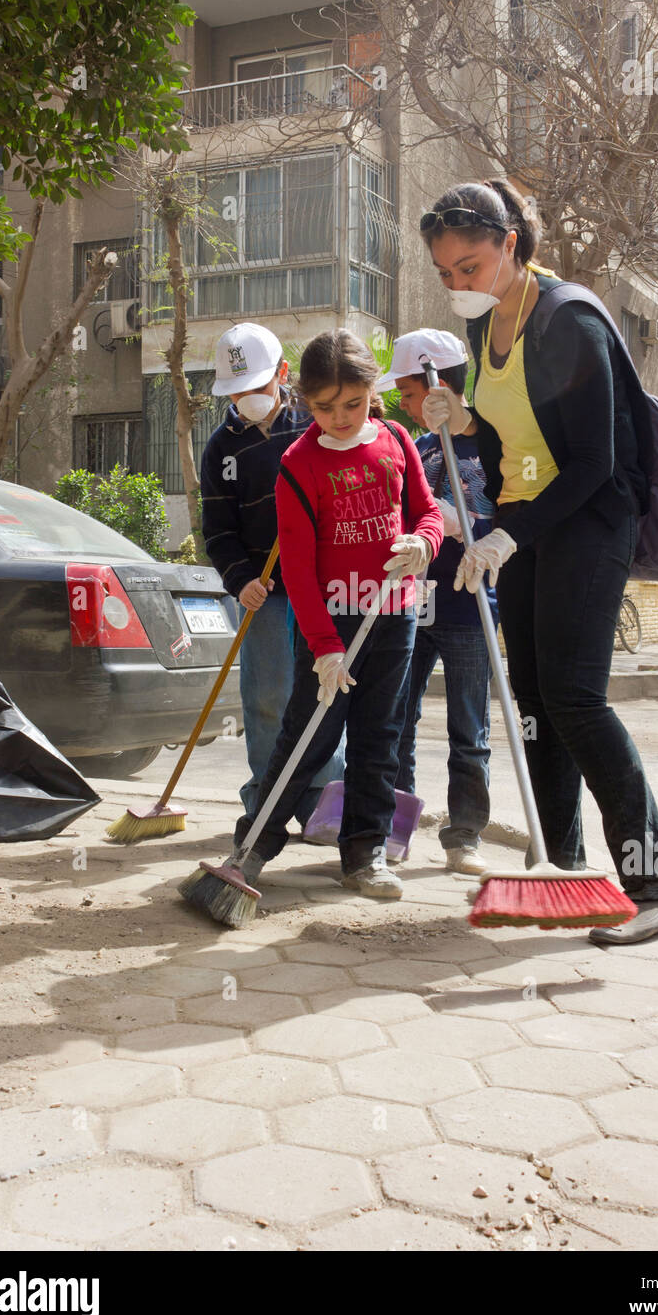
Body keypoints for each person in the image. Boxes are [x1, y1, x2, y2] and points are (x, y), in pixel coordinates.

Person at [418, 179, 658, 945]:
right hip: (529, 524)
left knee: (574, 698)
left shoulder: (569, 319)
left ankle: (655, 882)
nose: (457, 286)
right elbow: (510, 440)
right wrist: (465, 421)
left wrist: (511, 534)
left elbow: (596, 460)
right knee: (532, 701)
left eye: (468, 267)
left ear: (510, 244)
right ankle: (559, 867)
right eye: (445, 274)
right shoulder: (482, 330)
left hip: (590, 519)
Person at [224, 328, 443, 899]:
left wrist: (423, 542)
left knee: (380, 738)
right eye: (324, 408)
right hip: (333, 625)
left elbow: (427, 513)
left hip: (392, 617)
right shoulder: (298, 463)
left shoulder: (396, 440)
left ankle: (365, 855)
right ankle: (252, 848)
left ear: (374, 391)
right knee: (308, 736)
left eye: (352, 403)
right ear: (305, 400)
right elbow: (295, 567)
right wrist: (322, 645)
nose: (340, 417)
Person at [200, 322, 343, 833]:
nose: (248, 400)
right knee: (265, 699)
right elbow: (217, 531)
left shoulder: (316, 422)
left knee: (325, 695)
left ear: (283, 375)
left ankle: (325, 805)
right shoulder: (221, 449)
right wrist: (240, 580)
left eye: (257, 388)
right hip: (264, 595)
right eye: (237, 392)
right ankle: (266, 802)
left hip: (325, 588)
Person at [378, 328, 498, 876]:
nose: (404, 407)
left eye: (408, 394)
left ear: (438, 384)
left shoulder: (495, 444)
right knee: (398, 718)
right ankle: (394, 826)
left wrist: (469, 524)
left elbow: (515, 515)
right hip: (415, 602)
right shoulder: (422, 446)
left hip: (470, 606)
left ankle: (463, 835)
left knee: (468, 727)